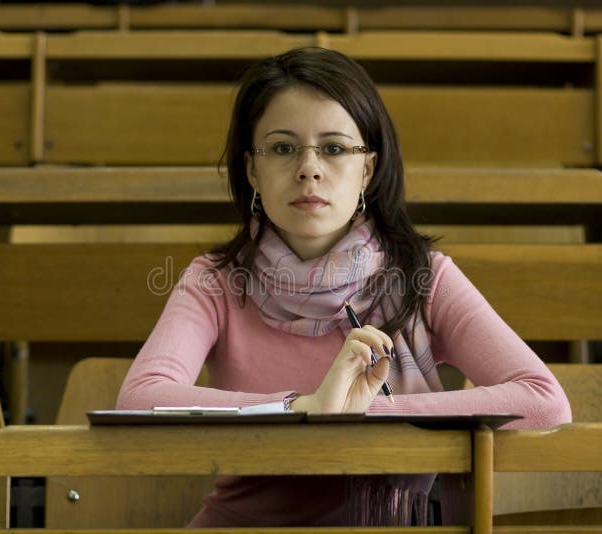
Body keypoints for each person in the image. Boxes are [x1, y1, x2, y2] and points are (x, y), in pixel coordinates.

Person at [117, 47, 571, 527]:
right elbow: (142, 397)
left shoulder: (425, 276)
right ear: (252, 169)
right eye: (283, 148)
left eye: (333, 149)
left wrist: (365, 413)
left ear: (367, 171)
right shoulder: (213, 279)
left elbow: (543, 400)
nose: (308, 168)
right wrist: (301, 408)